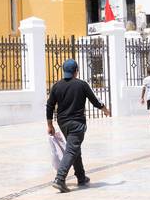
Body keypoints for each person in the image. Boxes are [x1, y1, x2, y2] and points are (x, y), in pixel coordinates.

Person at [47, 59, 111, 192]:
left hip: (63, 122)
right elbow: (94, 100)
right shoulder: (82, 84)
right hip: (76, 123)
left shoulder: (56, 86)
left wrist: (50, 125)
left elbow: (50, 106)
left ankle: (81, 177)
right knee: (71, 149)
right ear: (76, 71)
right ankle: (60, 178)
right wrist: (104, 109)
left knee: (74, 147)